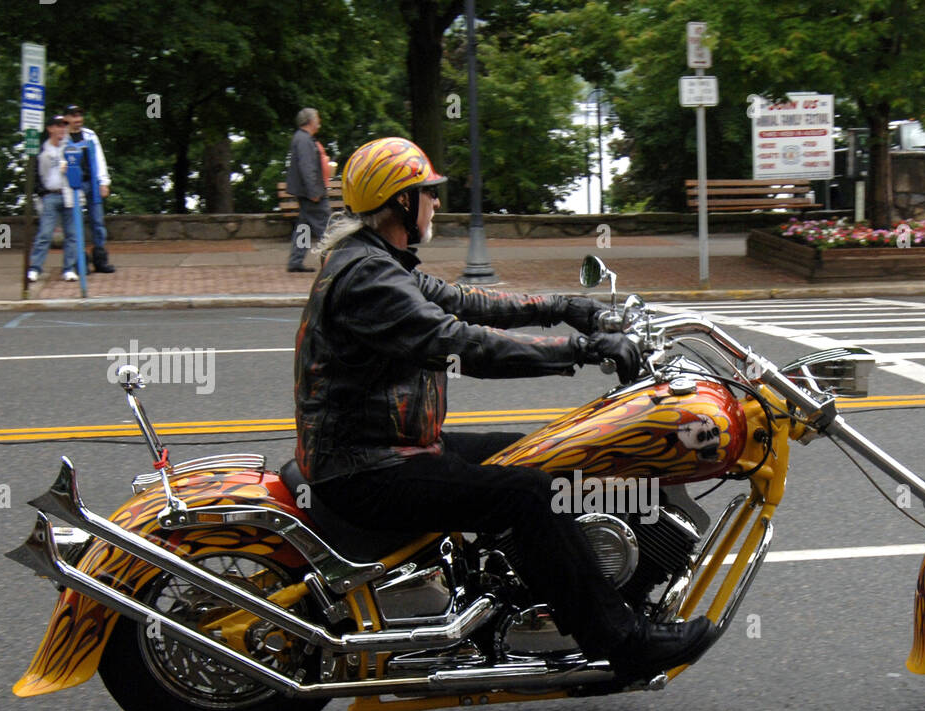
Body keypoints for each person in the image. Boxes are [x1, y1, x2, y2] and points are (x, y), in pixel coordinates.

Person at [293, 136, 713, 680]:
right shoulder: (369, 280)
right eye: (428, 193)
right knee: (529, 495)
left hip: (394, 448)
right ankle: (623, 642)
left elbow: (472, 302)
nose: (436, 204)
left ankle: (534, 597)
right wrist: (583, 352)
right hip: (368, 468)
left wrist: (568, 309)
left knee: (540, 454)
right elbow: (463, 343)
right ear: (401, 202)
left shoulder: (376, 263)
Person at [27, 116, 80, 284]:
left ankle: (69, 269)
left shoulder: (71, 148)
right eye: (58, 126)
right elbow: (34, 174)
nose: (62, 129)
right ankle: (35, 268)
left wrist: (71, 171)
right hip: (50, 194)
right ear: (50, 129)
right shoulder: (42, 150)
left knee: (72, 234)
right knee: (45, 233)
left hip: (68, 194)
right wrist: (41, 192)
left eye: (64, 126)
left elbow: (82, 170)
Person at [62, 105, 115, 273]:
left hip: (92, 183)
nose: (78, 119)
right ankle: (81, 262)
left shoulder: (90, 135)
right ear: (66, 119)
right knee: (76, 224)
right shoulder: (62, 137)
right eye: (73, 116)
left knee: (98, 222)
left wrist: (103, 181)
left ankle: (100, 260)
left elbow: (99, 158)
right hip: (73, 186)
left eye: (79, 115)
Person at [286, 108, 331, 272]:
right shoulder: (304, 140)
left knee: (303, 228)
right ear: (310, 121)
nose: (319, 122)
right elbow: (307, 168)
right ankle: (334, 260)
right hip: (311, 193)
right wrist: (314, 192)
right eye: (317, 118)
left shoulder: (302, 138)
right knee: (327, 227)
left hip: (306, 192)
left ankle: (296, 261)